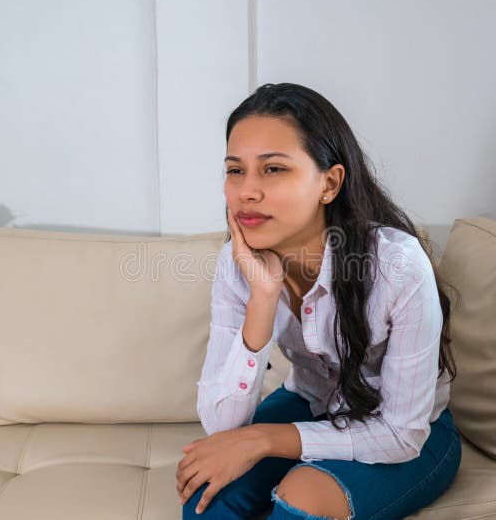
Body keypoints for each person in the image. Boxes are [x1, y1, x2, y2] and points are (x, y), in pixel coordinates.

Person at [177, 82, 461, 520]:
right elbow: (222, 427)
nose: (246, 191)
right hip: (312, 404)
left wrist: (263, 440)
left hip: (407, 435)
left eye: (273, 169)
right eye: (235, 170)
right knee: (208, 495)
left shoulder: (397, 266)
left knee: (303, 496)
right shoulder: (236, 265)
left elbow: (402, 433)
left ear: (329, 183)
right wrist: (263, 298)